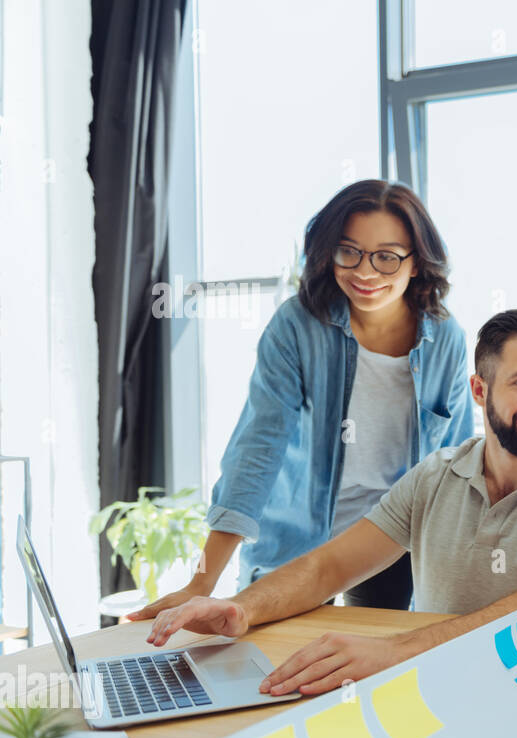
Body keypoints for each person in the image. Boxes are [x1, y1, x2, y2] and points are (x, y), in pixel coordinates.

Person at [141, 311, 517, 696]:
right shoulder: (435, 475)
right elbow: (329, 568)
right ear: (479, 390)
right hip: (431, 691)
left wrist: (398, 650)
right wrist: (240, 608)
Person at [129, 180, 473, 616]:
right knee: (270, 661)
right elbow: (258, 446)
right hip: (299, 538)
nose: (365, 273)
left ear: (417, 262)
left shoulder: (445, 338)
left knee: (382, 669)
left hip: (393, 539)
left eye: (387, 257)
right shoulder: (296, 325)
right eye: (349, 251)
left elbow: (455, 464)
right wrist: (202, 581)